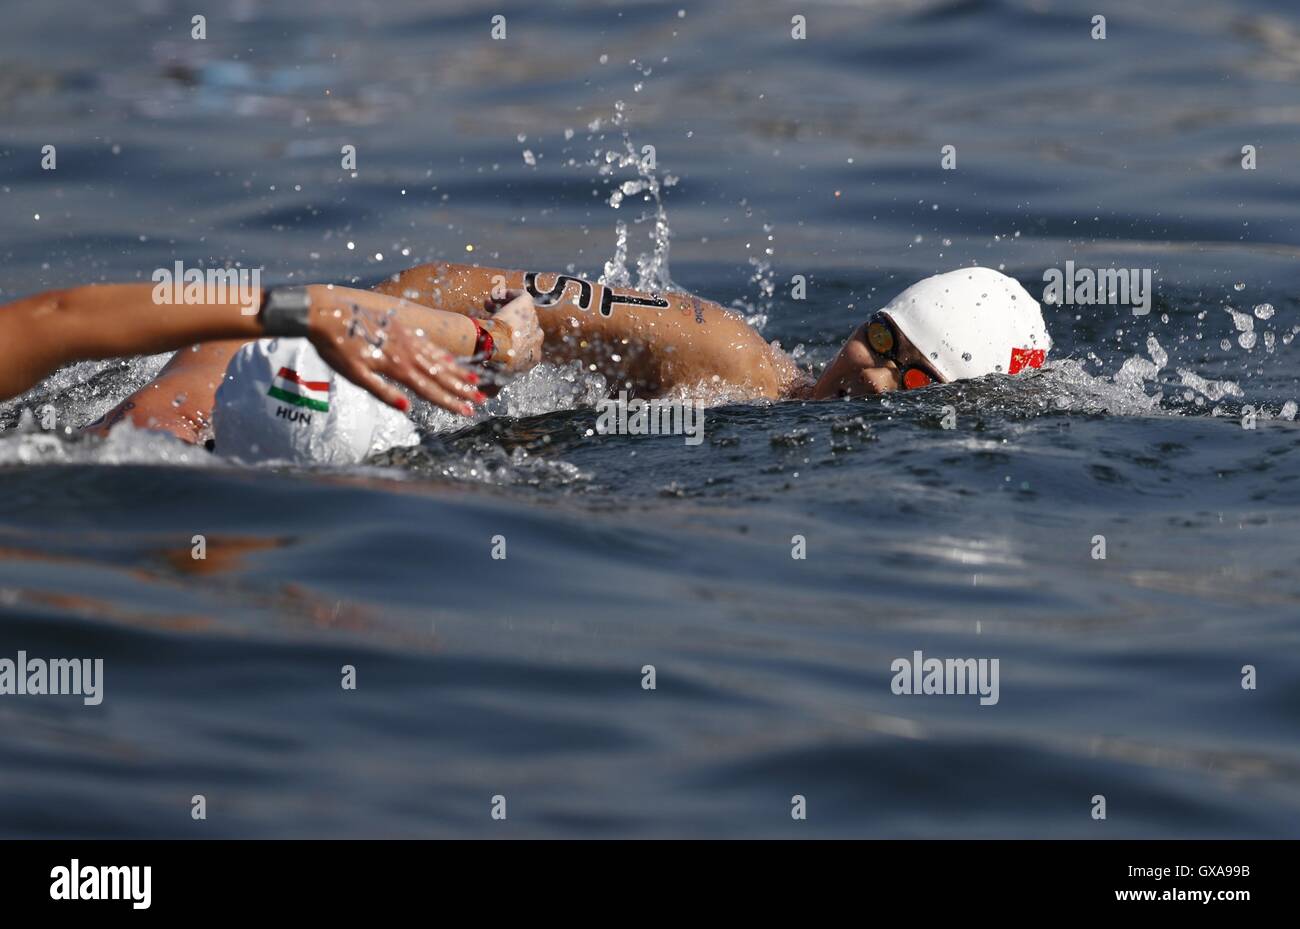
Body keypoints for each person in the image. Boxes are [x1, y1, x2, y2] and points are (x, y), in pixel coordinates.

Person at [0, 262, 1050, 463]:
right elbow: (457, 278)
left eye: (909, 376)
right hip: (289, 364)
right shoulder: (712, 350)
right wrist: (476, 337)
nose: (871, 376)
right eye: (877, 340)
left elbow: (56, 314)